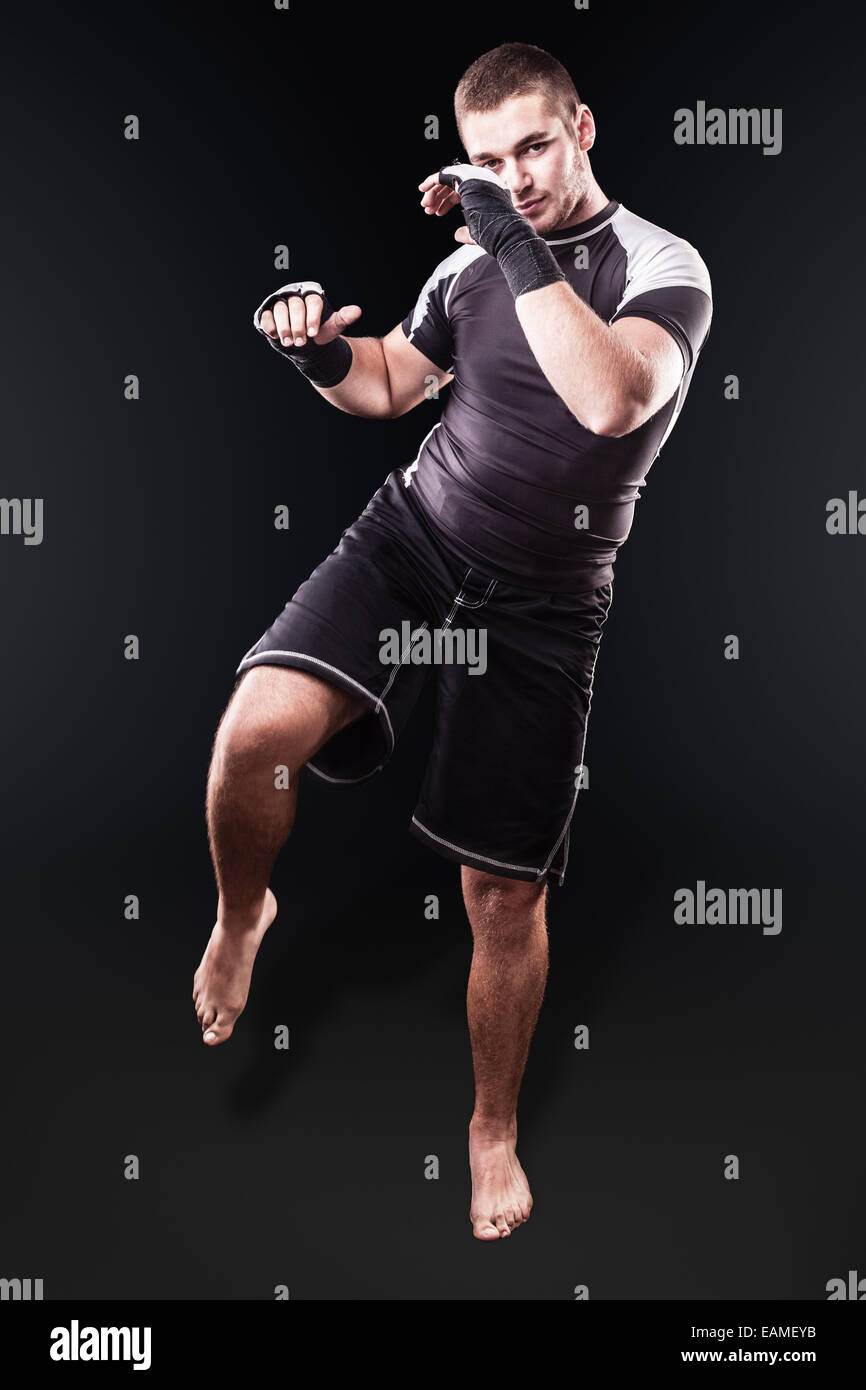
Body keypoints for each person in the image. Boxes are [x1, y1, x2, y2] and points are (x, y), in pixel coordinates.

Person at [192, 41, 712, 1242]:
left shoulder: (660, 265)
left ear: (580, 127)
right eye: (487, 161)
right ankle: (240, 917)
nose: (513, 178)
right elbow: (390, 384)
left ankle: (489, 1127)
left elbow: (610, 400)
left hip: (544, 596)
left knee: (500, 902)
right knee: (249, 739)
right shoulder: (467, 265)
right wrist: (315, 351)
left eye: (533, 146)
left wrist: (508, 240)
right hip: (415, 536)